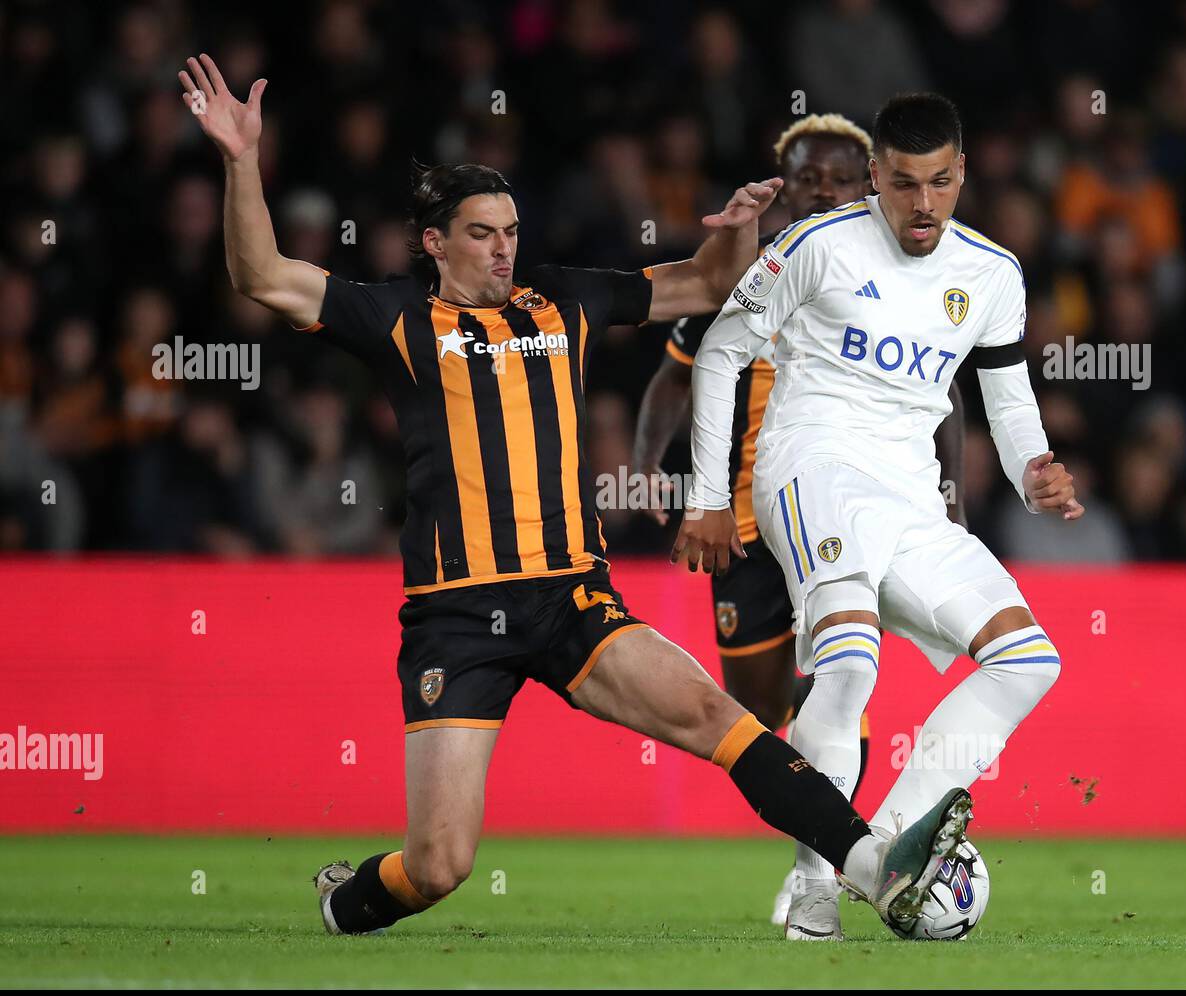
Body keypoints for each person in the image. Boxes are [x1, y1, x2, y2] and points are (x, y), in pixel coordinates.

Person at [178, 55, 972, 936]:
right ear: (436, 243)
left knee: (721, 715)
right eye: (481, 233)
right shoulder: (396, 318)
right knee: (438, 867)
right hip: (456, 612)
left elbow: (703, 284)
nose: (503, 247)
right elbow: (261, 276)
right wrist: (241, 162)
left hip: (570, 600)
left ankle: (876, 871)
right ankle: (346, 901)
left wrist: (740, 231)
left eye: (510, 229)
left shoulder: (559, 303)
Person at [675, 92, 1079, 941]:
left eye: (939, 183)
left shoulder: (992, 274)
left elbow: (1008, 406)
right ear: (875, 179)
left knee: (1028, 660)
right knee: (851, 667)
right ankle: (818, 882)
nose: (923, 204)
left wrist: (1034, 469)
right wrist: (708, 498)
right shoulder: (814, 247)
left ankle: (887, 848)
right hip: (810, 465)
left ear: (962, 173)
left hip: (909, 492)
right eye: (903, 185)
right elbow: (719, 353)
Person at [632, 112, 968, 935]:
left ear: (868, 185)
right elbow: (675, 380)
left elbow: (944, 393)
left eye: (842, 178)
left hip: (841, 519)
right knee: (755, 718)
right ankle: (819, 821)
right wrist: (647, 465)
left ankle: (815, 871)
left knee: (840, 679)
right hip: (746, 530)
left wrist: (949, 490)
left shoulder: (896, 279)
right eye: (810, 177)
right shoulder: (745, 278)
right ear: (785, 184)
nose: (825, 190)